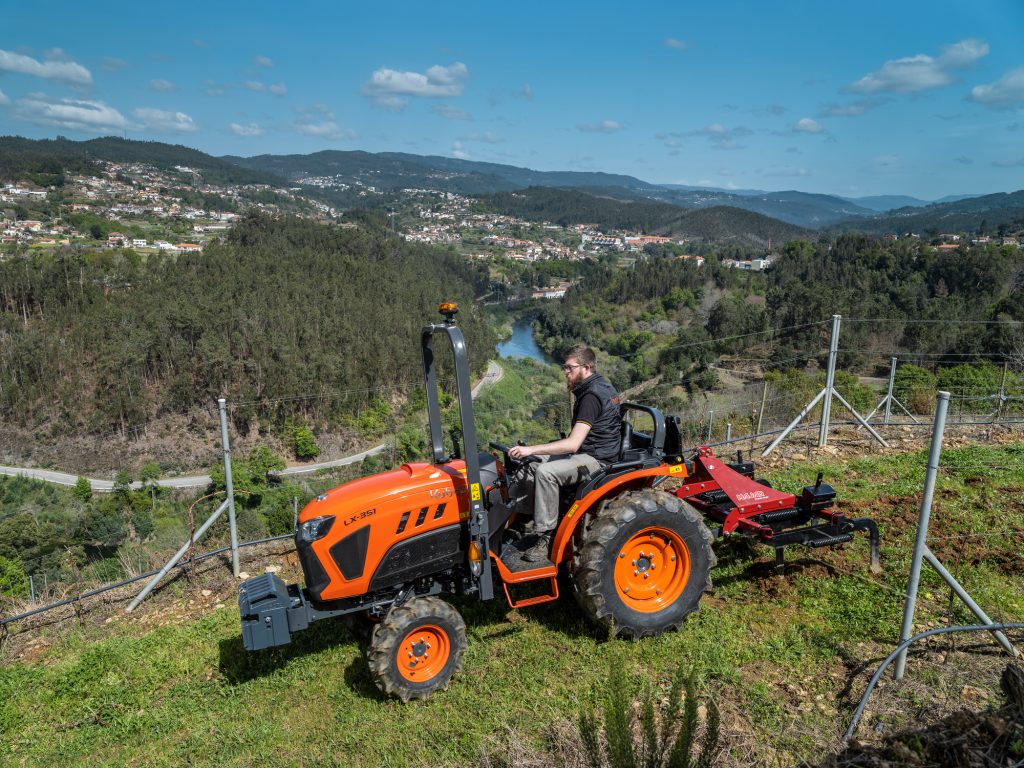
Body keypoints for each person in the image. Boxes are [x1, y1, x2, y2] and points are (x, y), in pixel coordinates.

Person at [508, 345, 622, 562]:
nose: (565, 372)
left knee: (546, 472)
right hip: (588, 450)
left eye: (569, 368)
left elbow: (572, 444)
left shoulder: (591, 396)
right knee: (530, 464)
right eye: (564, 367)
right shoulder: (597, 385)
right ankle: (528, 518)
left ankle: (546, 536)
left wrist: (529, 448)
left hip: (596, 458)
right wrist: (529, 455)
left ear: (586, 367)